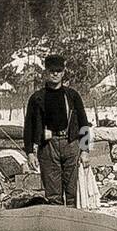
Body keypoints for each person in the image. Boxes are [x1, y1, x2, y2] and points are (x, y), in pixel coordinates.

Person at [23, 54, 90, 206]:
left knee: (73, 193)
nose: (55, 74)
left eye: (58, 70)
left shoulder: (72, 96)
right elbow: (29, 127)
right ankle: (57, 228)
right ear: (45, 72)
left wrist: (85, 150)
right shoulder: (37, 98)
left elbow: (83, 123)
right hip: (48, 146)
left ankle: (73, 227)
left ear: (63, 72)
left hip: (71, 143)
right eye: (52, 70)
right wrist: (29, 153)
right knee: (53, 196)